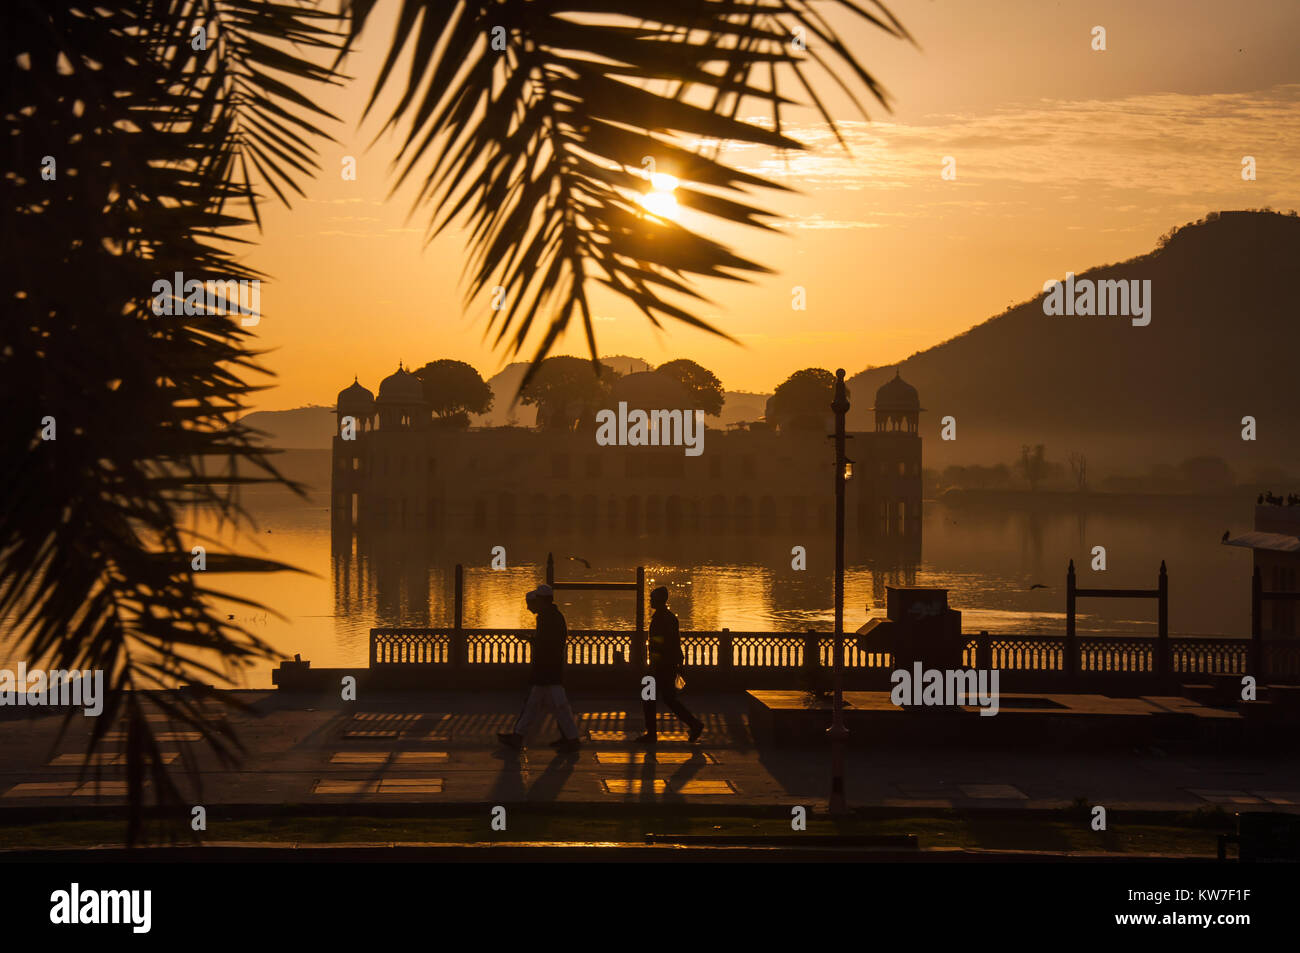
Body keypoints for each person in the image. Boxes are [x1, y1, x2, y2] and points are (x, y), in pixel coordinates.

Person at [497, 585, 582, 751]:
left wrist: (529, 639)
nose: (529, 607)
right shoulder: (552, 616)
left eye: (532, 603)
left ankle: (571, 739)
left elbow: (546, 644)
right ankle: (520, 736)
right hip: (550, 668)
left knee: (555, 706)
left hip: (547, 669)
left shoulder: (547, 617)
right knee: (539, 705)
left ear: (541, 600)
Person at [634, 586, 703, 744]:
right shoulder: (669, 617)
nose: (650, 601)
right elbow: (675, 643)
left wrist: (652, 665)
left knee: (650, 698)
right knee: (669, 699)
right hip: (667, 665)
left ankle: (652, 734)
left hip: (660, 667)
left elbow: (659, 644)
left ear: (659, 600)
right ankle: (694, 724)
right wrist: (679, 663)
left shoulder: (660, 619)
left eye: (652, 598)